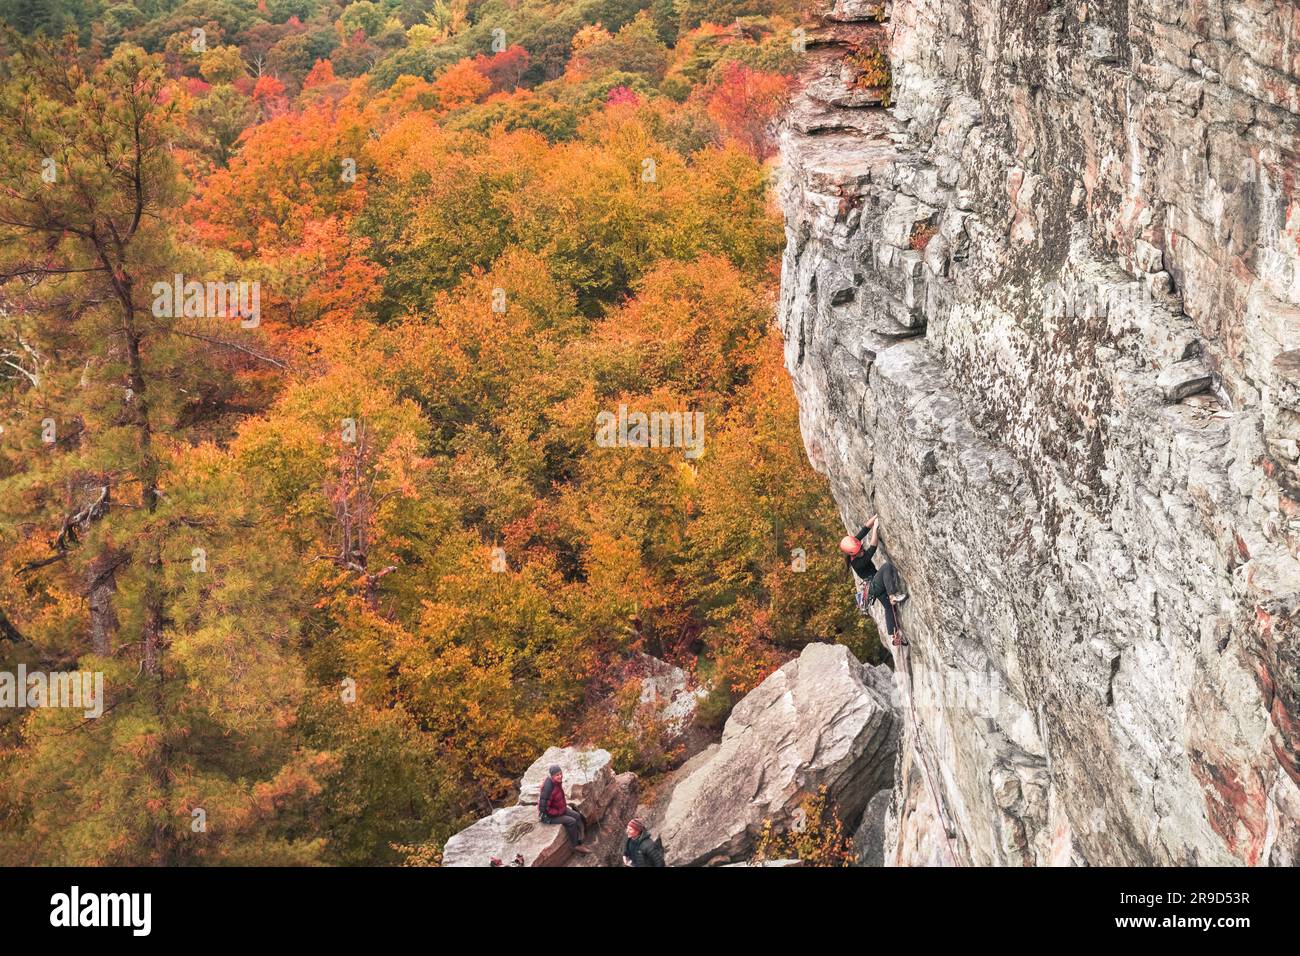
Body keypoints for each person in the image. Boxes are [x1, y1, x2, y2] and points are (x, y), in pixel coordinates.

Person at [840, 514, 908, 646]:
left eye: (860, 548)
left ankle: (895, 637)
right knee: (886, 567)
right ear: (852, 554)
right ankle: (892, 595)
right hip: (872, 585)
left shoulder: (854, 544)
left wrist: (876, 517)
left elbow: (865, 528)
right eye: (859, 551)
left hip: (874, 584)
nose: (862, 551)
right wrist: (876, 528)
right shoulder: (857, 563)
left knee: (889, 608)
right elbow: (872, 547)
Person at [538, 765, 591, 854]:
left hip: (559, 809)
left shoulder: (556, 782)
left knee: (577, 816)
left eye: (560, 774)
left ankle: (580, 838)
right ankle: (575, 846)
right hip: (547, 816)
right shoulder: (548, 788)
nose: (560, 776)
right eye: (557, 775)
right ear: (552, 776)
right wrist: (558, 813)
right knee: (571, 821)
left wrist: (561, 809)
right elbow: (543, 809)